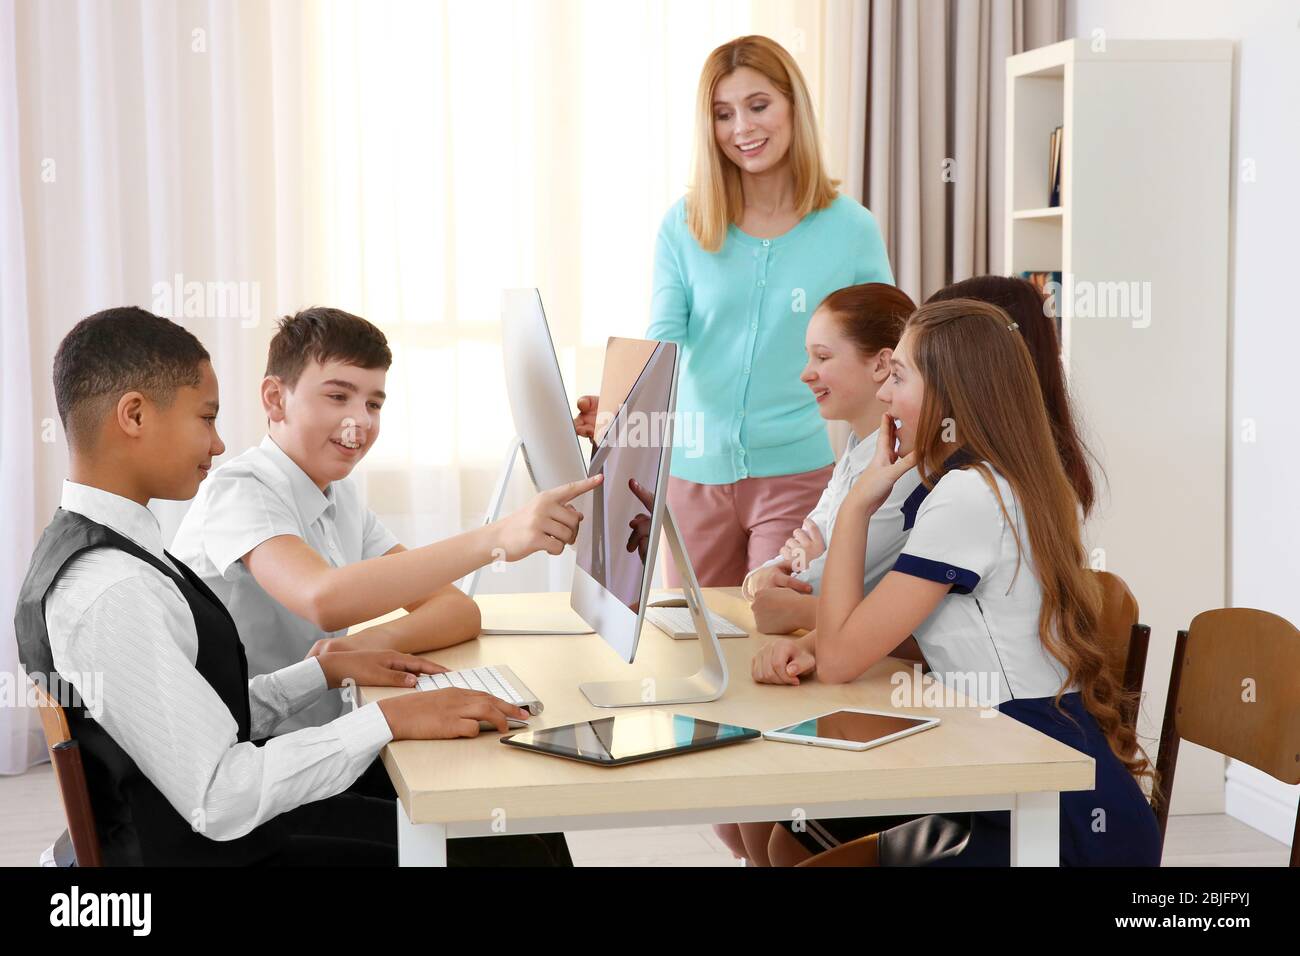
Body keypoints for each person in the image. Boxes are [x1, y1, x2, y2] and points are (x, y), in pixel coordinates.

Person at [16, 307, 598, 865]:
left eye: (373, 402)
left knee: (516, 822)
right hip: (214, 842)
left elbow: (216, 718)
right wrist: (388, 719)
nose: (218, 444)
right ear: (135, 416)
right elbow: (220, 794)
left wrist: (326, 671)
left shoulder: (121, 550)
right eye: (207, 418)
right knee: (495, 845)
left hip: (230, 809)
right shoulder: (109, 587)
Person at [750, 298, 1160, 866]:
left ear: (951, 393)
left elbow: (845, 660)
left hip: (1042, 799)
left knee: (802, 848)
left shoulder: (967, 497)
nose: (886, 394)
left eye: (899, 376)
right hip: (999, 757)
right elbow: (908, 630)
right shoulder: (980, 481)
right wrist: (811, 644)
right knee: (788, 835)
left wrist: (856, 507)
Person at [574, 35, 894, 588]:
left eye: (758, 106)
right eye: (723, 114)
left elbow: (891, 346)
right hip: (691, 478)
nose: (742, 128)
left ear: (793, 105)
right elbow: (663, 342)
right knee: (693, 641)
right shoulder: (686, 225)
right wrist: (622, 409)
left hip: (796, 473)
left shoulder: (850, 229)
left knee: (768, 629)